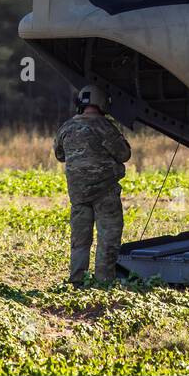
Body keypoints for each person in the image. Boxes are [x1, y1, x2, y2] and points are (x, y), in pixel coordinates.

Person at [53, 84, 131, 284]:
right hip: (104, 193)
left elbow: (60, 155)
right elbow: (124, 154)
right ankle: (103, 282)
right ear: (103, 103)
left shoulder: (67, 127)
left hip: (78, 194)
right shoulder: (104, 126)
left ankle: (77, 281)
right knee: (108, 237)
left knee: (80, 240)